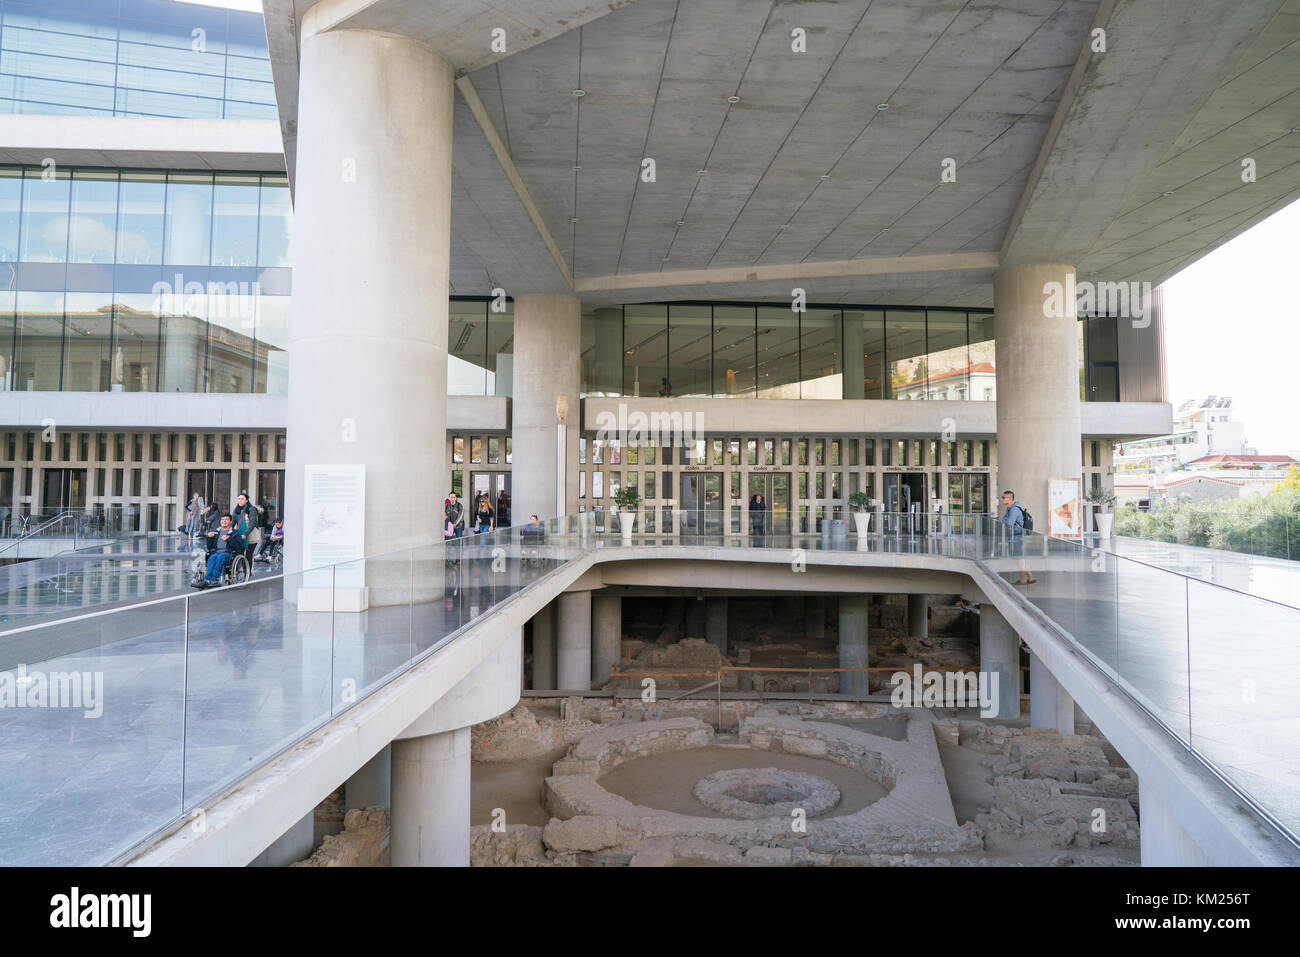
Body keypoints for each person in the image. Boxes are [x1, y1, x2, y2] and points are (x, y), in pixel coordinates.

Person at [196, 513, 244, 587]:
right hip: (216, 552)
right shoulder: (216, 532)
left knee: (220, 557)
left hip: (229, 553)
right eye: (222, 519)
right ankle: (207, 579)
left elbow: (238, 547)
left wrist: (229, 539)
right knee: (212, 558)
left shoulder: (234, 533)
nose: (224, 521)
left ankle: (215, 578)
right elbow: (210, 547)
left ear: (231, 522)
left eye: (226, 519)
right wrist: (209, 538)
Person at [1001, 489, 1036, 585]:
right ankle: (1030, 577)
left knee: (1019, 558)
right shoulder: (1010, 509)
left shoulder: (1014, 510)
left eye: (1004, 497)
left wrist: (1004, 522)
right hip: (1014, 536)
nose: (1002, 499)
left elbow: (1009, 524)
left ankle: (1023, 579)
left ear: (1010, 499)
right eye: (1002, 497)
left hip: (1016, 536)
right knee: (1019, 558)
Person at [232, 491, 261, 566]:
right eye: (239, 499)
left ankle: (248, 572)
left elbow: (252, 523)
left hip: (251, 535)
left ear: (246, 500)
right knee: (239, 553)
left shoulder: (252, 509)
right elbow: (232, 522)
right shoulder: (236, 510)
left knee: (248, 555)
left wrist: (245, 533)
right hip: (240, 534)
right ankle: (239, 570)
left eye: (242, 499)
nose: (240, 501)